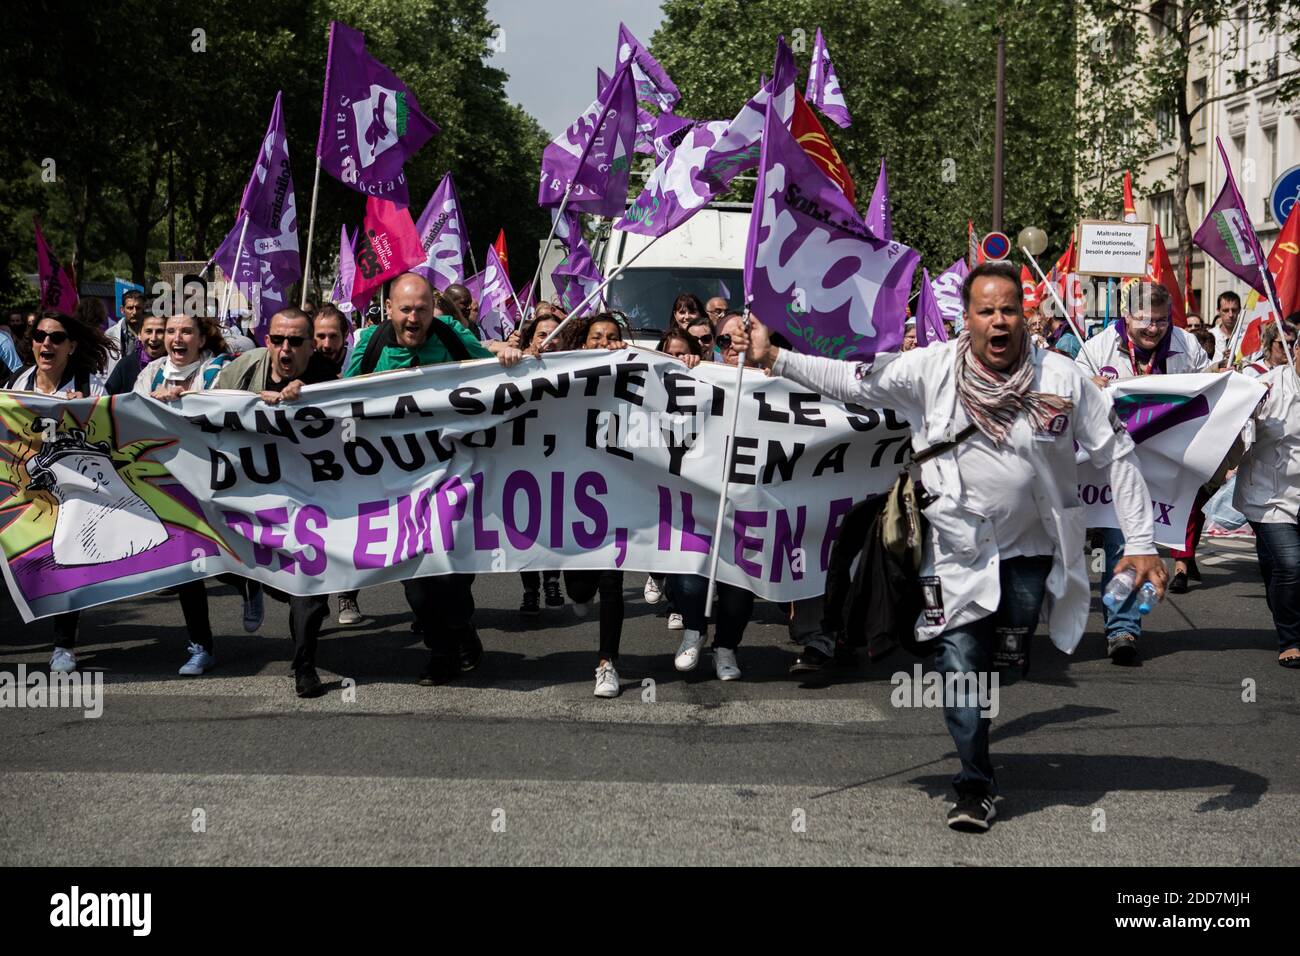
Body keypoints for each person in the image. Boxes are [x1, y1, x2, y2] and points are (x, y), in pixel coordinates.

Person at [734, 262, 1164, 831]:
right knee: (962, 663)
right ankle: (975, 783)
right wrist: (773, 358)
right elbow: (853, 380)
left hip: (1031, 549)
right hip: (954, 553)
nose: (998, 321)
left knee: (1004, 661)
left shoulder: (1062, 379)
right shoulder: (930, 370)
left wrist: (1139, 541)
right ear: (968, 320)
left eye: (1008, 309)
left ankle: (988, 666)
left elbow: (1116, 453)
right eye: (986, 311)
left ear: (1025, 317)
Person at [345, 272, 522, 685]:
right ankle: (443, 650)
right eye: (405, 309)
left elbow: (491, 372)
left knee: (450, 570)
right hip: (397, 484)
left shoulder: (452, 334)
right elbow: (338, 399)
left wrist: (506, 357)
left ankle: (458, 628)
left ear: (432, 309)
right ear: (389, 309)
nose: (413, 318)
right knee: (417, 585)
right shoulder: (370, 346)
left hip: (452, 477)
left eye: (421, 309)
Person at [214, 307, 342, 696]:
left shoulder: (330, 379)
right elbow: (204, 408)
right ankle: (253, 584)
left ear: (310, 346)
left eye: (295, 342)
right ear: (266, 340)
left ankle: (304, 667)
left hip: (312, 505)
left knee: (308, 587)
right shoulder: (245, 369)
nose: (285, 349)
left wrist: (311, 400)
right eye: (277, 340)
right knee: (210, 555)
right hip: (255, 501)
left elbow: (353, 431)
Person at [1075, 281, 1206, 656]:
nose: (1153, 329)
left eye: (1162, 321)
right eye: (1145, 320)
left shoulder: (1187, 345)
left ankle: (1122, 629)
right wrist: (1087, 384)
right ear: (1125, 316)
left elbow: (1208, 384)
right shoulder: (1096, 347)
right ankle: (1122, 627)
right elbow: (1070, 390)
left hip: (1163, 461)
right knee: (1121, 541)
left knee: (1135, 543)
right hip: (1113, 466)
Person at [6, 311, 114, 674]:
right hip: (28, 491)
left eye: (55, 337)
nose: (45, 344)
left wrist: (84, 411)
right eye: (39, 336)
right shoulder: (14, 385)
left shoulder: (92, 385)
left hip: (77, 493)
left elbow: (115, 435)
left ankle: (64, 645)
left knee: (67, 560)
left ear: (71, 346)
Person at [667, 311, 765, 680]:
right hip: (699, 501)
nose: (731, 347)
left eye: (739, 339)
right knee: (691, 579)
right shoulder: (699, 374)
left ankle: (726, 648)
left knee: (739, 591)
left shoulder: (774, 382)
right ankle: (693, 633)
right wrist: (687, 365)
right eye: (723, 341)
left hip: (748, 503)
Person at [1233, 324, 1300, 667]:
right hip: (1269, 495)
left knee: (1278, 567)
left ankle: (1287, 609)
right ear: (1296, 351)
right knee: (1290, 565)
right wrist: (1245, 406)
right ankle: (1290, 638)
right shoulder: (1267, 384)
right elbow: (1234, 424)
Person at [105, 312, 167, 395]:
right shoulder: (126, 364)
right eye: (148, 331)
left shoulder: (176, 364)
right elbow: (106, 397)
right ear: (139, 335)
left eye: (160, 332)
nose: (153, 338)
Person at [312, 304, 351, 375]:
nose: (327, 345)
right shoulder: (302, 366)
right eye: (321, 336)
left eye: (333, 336)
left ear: (345, 336)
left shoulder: (361, 365)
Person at [1209, 291, 1242, 363]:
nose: (1230, 315)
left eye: (1234, 310)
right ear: (1218, 311)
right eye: (1226, 310)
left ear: (1239, 310)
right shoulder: (1209, 336)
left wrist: (1236, 361)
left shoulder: (1248, 337)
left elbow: (1254, 366)